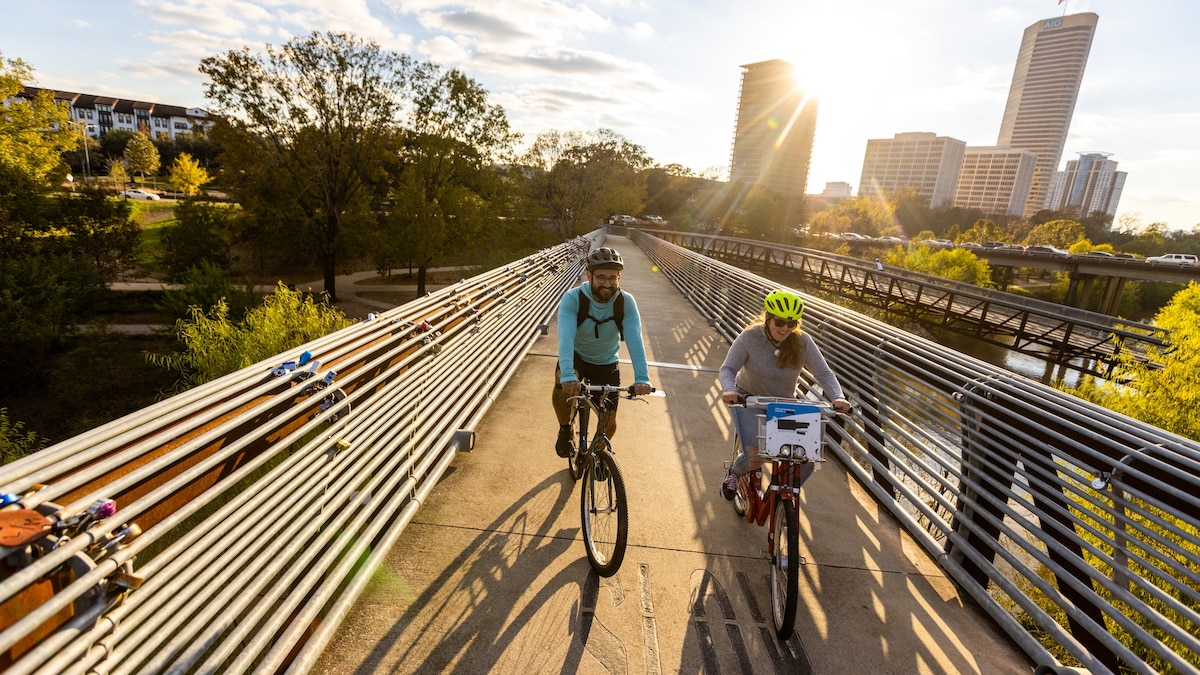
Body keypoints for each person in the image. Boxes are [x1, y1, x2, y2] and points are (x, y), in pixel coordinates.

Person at [717, 288, 851, 499]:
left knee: (807, 456)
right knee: (756, 456)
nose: (785, 328)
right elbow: (728, 369)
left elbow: (823, 372)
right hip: (748, 400)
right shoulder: (750, 337)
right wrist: (729, 389)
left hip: (783, 404)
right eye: (779, 322)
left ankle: (783, 492)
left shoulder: (802, 341)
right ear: (768, 318)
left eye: (791, 323)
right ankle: (733, 472)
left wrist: (838, 396)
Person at [554, 246, 653, 457]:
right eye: (601, 277)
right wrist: (569, 375)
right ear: (589, 275)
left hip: (606, 360)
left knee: (608, 421)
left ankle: (599, 456)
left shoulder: (625, 302)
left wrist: (642, 378)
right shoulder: (573, 299)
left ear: (619, 277)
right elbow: (565, 337)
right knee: (561, 384)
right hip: (577, 355)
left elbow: (635, 339)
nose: (607, 284)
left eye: (612, 278)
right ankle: (565, 428)